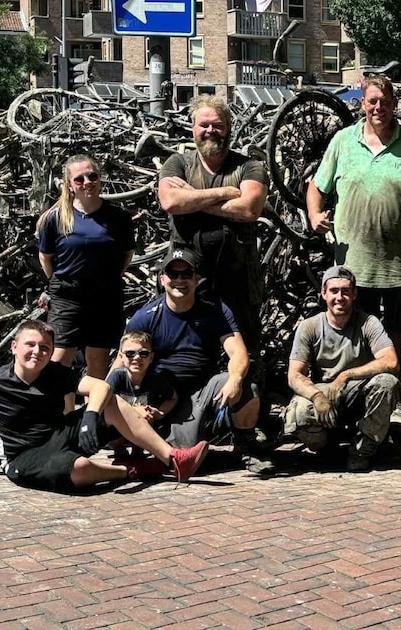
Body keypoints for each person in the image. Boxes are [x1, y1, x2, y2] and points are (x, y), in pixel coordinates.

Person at [307, 75, 401, 436]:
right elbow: (316, 186)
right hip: (353, 267)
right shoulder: (344, 141)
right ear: (362, 104)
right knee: (359, 339)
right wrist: (314, 215)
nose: (378, 108)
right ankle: (362, 405)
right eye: (372, 101)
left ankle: (398, 405)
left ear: (394, 104)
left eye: (385, 102)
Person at [0, 321, 208, 492]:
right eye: (31, 344)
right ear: (15, 347)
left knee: (111, 400)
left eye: (45, 347)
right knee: (78, 471)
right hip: (23, 458)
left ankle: (172, 459)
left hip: (59, 436)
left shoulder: (55, 372)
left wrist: (91, 415)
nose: (37, 352)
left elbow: (100, 386)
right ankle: (131, 470)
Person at [123, 247, 269, 473]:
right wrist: (128, 406)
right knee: (184, 454)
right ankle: (153, 445)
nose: (179, 280)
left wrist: (235, 379)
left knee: (246, 386)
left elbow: (238, 352)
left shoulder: (215, 310)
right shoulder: (146, 317)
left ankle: (246, 448)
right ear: (162, 279)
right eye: (173, 274)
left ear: (196, 278)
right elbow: (121, 364)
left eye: (186, 274)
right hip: (162, 397)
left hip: (203, 391)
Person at [157, 94, 268, 381]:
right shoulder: (178, 163)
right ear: (192, 128)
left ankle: (246, 416)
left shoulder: (248, 166)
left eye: (217, 125)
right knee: (191, 345)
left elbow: (248, 209)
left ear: (229, 127)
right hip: (187, 276)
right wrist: (222, 194)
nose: (210, 131)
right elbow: (170, 202)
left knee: (247, 349)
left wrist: (191, 197)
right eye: (204, 125)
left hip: (240, 277)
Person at [282, 266, 401, 472]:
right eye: (334, 291)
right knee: (298, 412)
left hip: (358, 392)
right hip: (324, 392)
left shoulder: (368, 323)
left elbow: (390, 361)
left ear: (354, 294)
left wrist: (347, 375)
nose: (340, 297)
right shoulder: (310, 326)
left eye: (346, 291)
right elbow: (294, 375)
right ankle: (325, 447)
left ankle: (363, 449)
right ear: (323, 293)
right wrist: (317, 396)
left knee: (387, 383)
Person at [37, 154, 135, 379]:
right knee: (59, 360)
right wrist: (60, 282)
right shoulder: (55, 218)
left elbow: (126, 253)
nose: (87, 182)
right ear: (70, 185)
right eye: (79, 179)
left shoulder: (118, 217)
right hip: (67, 295)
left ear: (100, 179)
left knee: (98, 363)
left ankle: (92, 413)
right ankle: (61, 412)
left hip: (105, 296)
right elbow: (45, 257)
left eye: (92, 176)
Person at [106, 330, 179, 455]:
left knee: (145, 417)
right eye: (130, 353)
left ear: (151, 358)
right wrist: (134, 411)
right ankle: (119, 450)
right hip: (120, 425)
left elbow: (173, 398)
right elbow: (105, 399)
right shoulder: (117, 376)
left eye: (143, 353)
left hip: (147, 426)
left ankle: (138, 451)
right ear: (121, 357)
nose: (137, 358)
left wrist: (160, 412)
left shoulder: (156, 379)